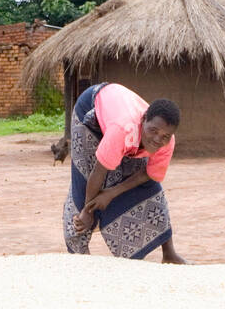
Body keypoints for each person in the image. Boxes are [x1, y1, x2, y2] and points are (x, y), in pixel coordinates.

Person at [64, 82, 187, 263]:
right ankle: (79, 256)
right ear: (144, 119)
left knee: (149, 188)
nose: (157, 139)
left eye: (164, 136)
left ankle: (169, 254)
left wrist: (112, 193)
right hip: (90, 112)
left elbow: (150, 174)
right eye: (153, 130)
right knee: (84, 182)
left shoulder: (167, 142)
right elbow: (99, 171)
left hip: (121, 124)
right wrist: (88, 210)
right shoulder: (123, 129)